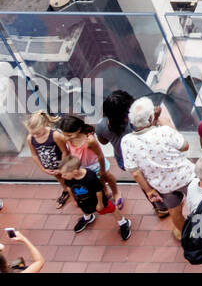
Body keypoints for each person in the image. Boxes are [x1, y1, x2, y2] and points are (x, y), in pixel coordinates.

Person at [121, 97, 195, 240]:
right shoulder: (165, 131)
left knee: (175, 211)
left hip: (162, 186)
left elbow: (135, 172)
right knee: (198, 203)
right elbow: (185, 146)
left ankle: (183, 234)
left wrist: (149, 191)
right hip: (186, 176)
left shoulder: (127, 142)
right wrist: (164, 122)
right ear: (151, 117)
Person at [56, 114, 122, 210]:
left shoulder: (90, 140)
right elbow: (67, 153)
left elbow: (100, 155)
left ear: (78, 130)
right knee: (97, 181)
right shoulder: (68, 140)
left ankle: (116, 192)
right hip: (82, 167)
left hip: (95, 165)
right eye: (64, 134)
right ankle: (106, 192)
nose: (66, 138)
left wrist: (102, 170)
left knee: (107, 176)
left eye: (69, 135)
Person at [59, 156, 132, 240]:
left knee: (111, 209)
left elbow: (99, 190)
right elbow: (69, 188)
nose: (62, 176)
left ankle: (123, 222)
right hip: (82, 200)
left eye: (64, 174)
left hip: (96, 200)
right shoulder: (69, 178)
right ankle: (88, 218)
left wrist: (100, 203)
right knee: (85, 209)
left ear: (75, 172)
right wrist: (74, 200)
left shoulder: (90, 177)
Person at [23, 112, 69, 208]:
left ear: (44, 125)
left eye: (38, 133)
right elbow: (34, 155)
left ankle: (77, 192)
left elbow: (65, 152)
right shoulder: (30, 138)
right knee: (59, 178)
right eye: (32, 133)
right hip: (50, 165)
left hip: (64, 164)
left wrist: (62, 167)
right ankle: (66, 190)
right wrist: (43, 169)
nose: (35, 136)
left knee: (70, 177)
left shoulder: (55, 135)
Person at [96, 90, 134, 171]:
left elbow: (104, 142)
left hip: (122, 160)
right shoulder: (134, 122)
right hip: (138, 156)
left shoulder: (101, 125)